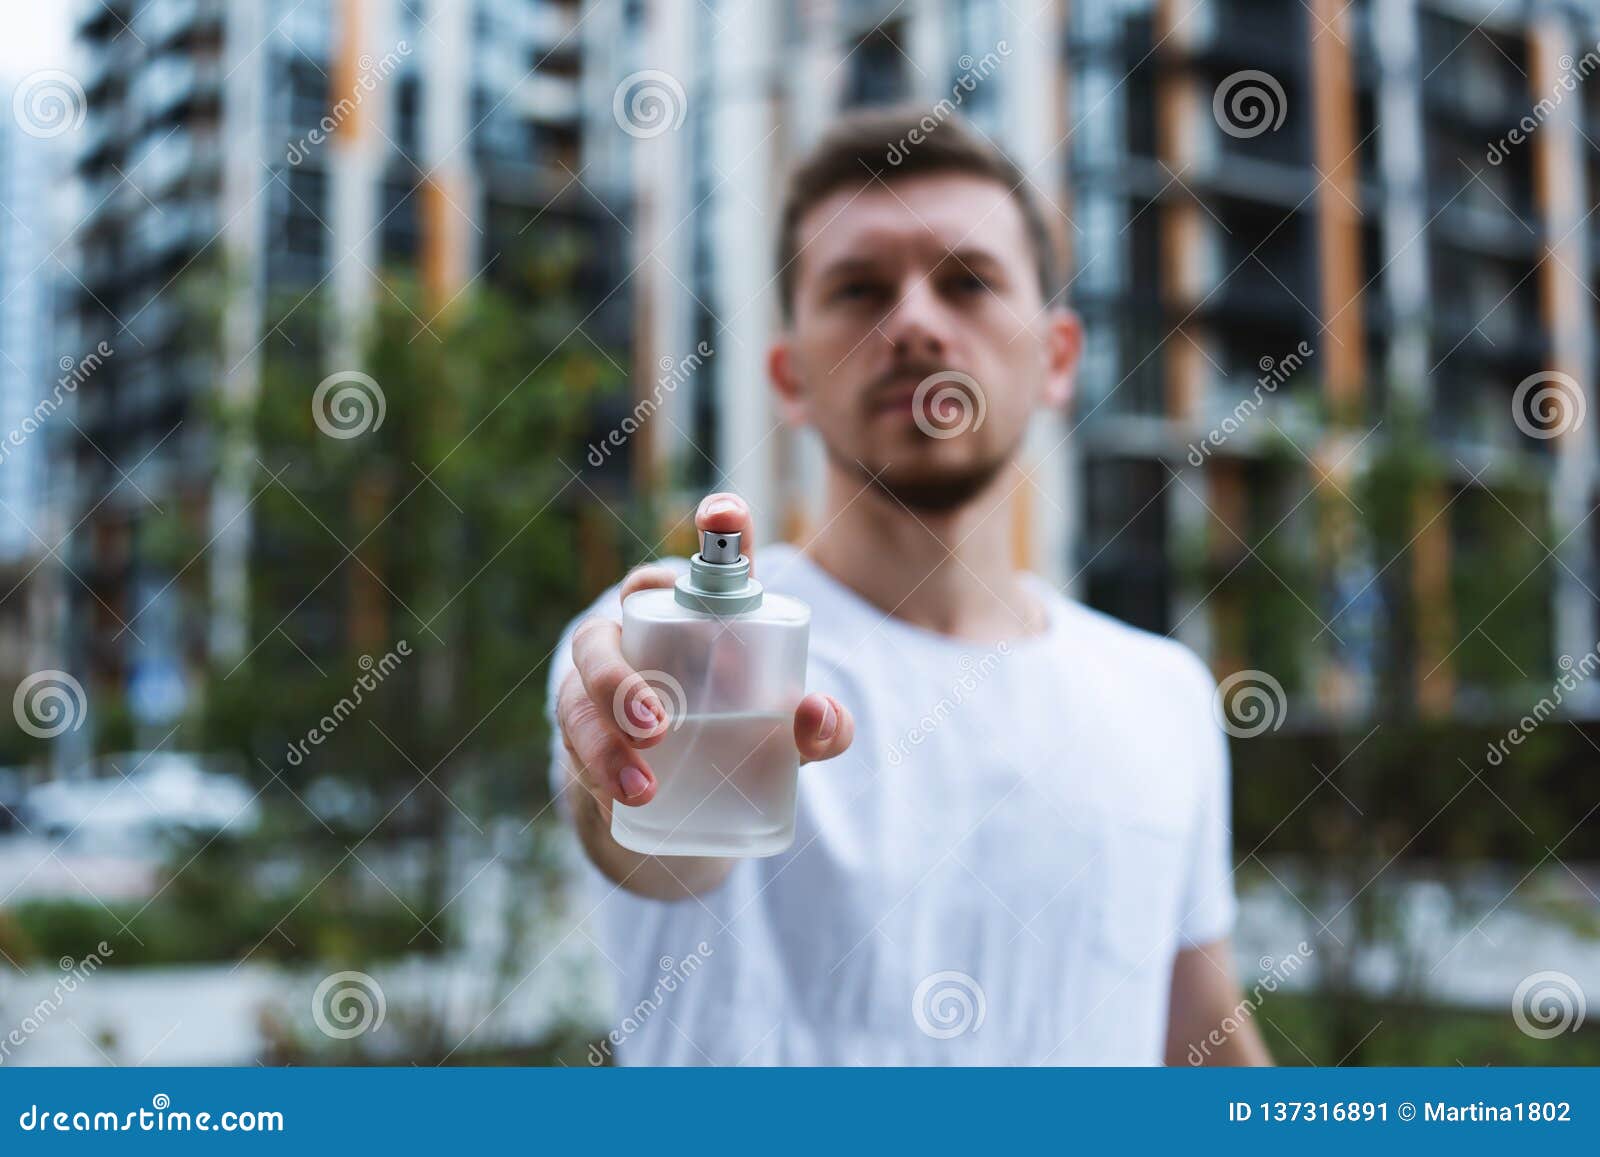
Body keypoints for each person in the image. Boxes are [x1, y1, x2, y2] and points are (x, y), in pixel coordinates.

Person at [548, 107, 1272, 1066]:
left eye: (968, 282)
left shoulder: (1164, 692)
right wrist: (637, 760)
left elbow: (1199, 1035)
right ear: (790, 377)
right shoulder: (677, 646)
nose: (915, 323)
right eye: (859, 289)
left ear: (1057, 357)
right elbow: (660, 847)